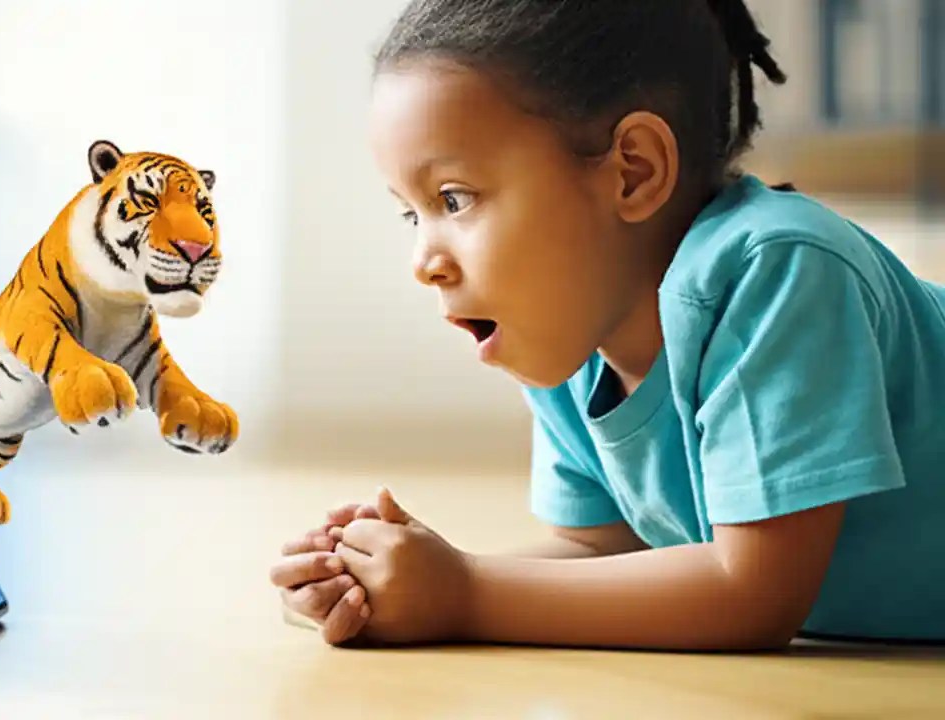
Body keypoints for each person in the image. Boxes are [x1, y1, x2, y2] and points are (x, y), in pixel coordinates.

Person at [268, 0, 945, 650]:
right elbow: (602, 552)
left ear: (633, 171)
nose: (424, 263)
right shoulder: (573, 341)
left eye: (454, 198)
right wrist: (393, 587)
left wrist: (466, 593)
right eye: (411, 214)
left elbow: (752, 591)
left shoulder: (777, 270)